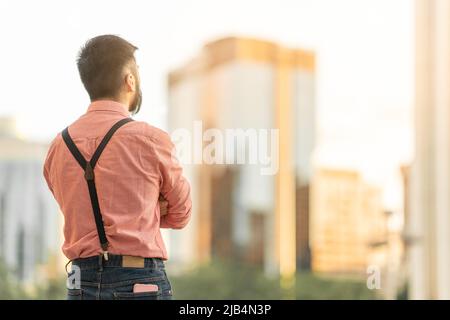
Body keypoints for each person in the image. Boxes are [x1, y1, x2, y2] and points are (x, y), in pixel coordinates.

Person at [43, 35, 192, 300]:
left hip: (79, 283)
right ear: (129, 81)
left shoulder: (58, 148)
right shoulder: (151, 140)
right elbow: (181, 213)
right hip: (139, 282)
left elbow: (78, 211)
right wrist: (148, 209)